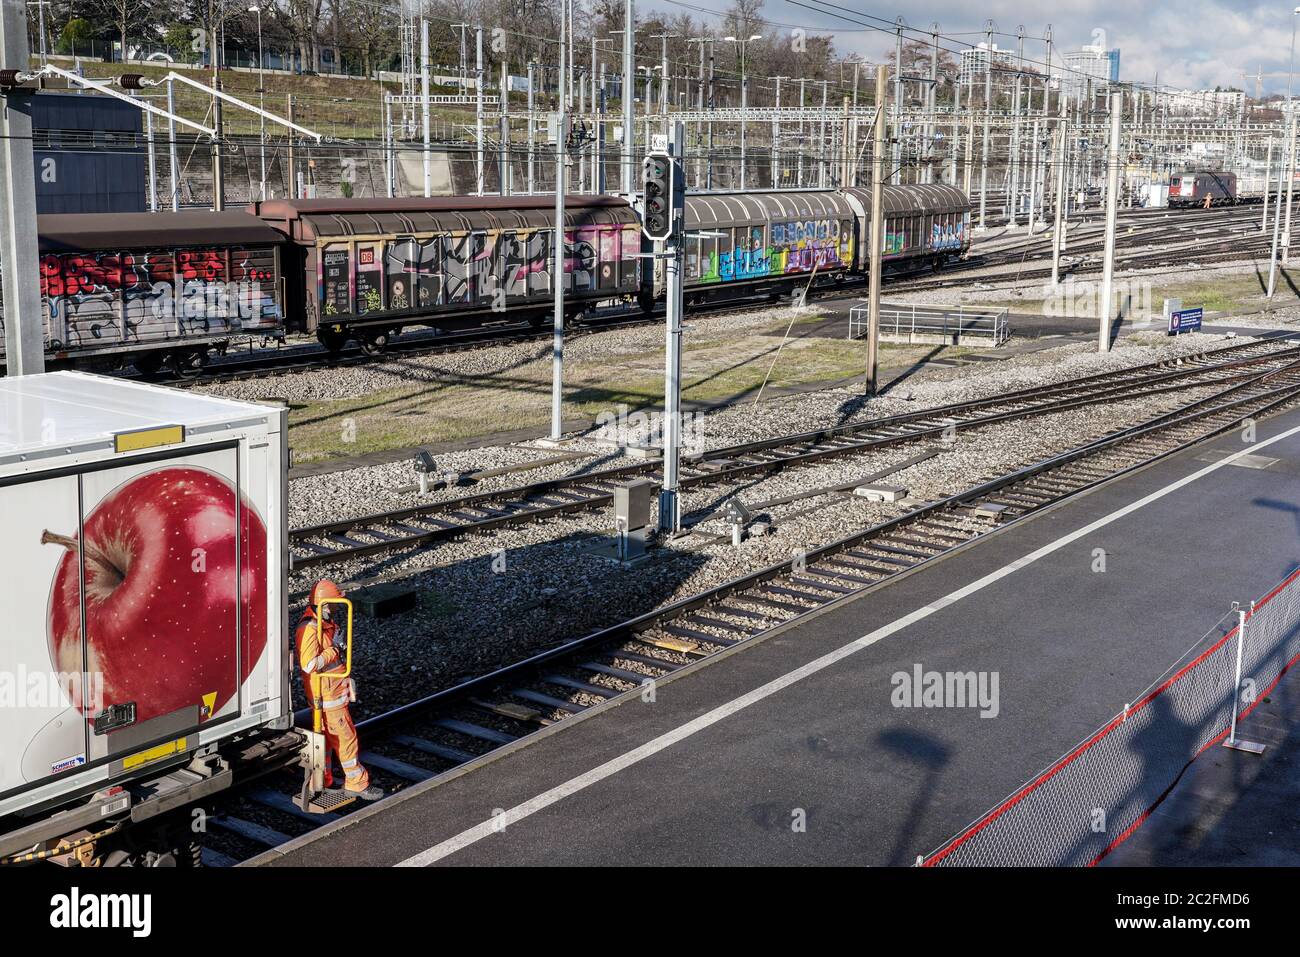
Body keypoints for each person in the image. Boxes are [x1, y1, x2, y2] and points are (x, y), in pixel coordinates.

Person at [296, 580, 382, 801]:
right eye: (333, 604)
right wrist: (335, 649)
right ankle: (357, 783)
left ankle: (323, 780)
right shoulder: (310, 628)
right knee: (345, 739)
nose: (335, 609)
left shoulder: (321, 624)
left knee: (324, 740)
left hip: (329, 693)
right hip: (327, 695)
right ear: (324, 604)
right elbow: (309, 664)